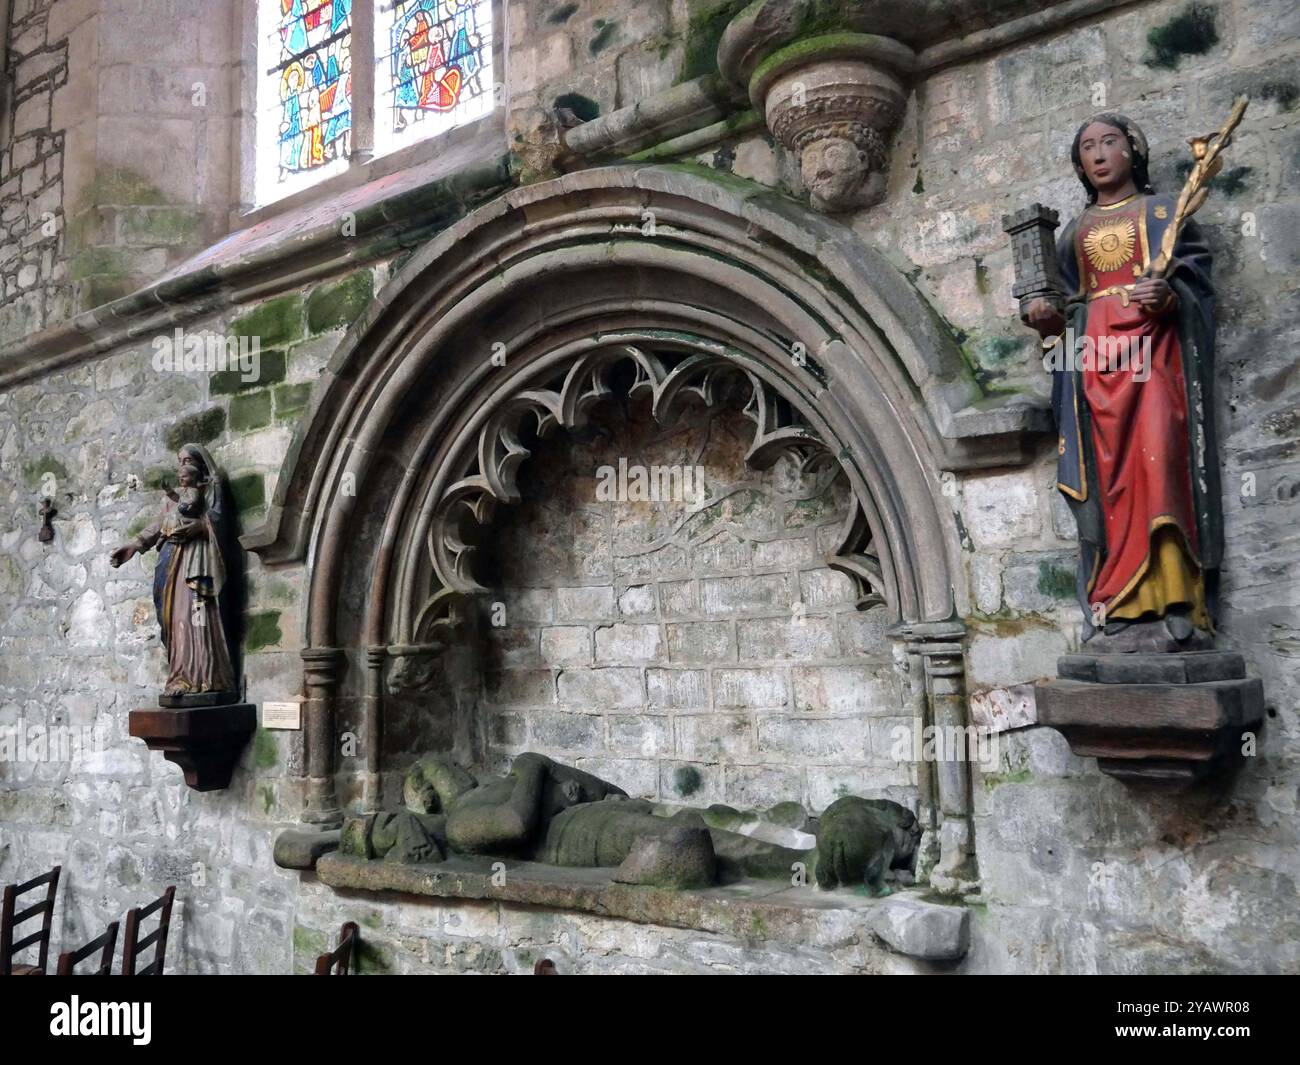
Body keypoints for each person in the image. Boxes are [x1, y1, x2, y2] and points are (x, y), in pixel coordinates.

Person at [1023, 113, 1221, 646]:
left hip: (1154, 359)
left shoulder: (1162, 212)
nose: (1100, 153)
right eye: (1088, 146)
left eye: (1110, 141)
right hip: (1094, 364)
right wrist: (1048, 317)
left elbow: (1197, 279)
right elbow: (1061, 304)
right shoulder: (1073, 233)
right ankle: (1114, 602)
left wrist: (1172, 295)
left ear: (1133, 149)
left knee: (1160, 460)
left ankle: (1177, 596)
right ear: (1080, 164)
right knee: (1105, 480)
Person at [110, 444, 237, 700]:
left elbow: (220, 523)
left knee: (195, 614)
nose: (182, 467)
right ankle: (180, 675)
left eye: (188, 460)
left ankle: (207, 677)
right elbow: (159, 524)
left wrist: (199, 527)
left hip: (196, 561)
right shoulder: (174, 500)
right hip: (171, 561)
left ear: (200, 465)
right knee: (173, 616)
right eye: (180, 462)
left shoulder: (210, 491)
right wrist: (135, 544)